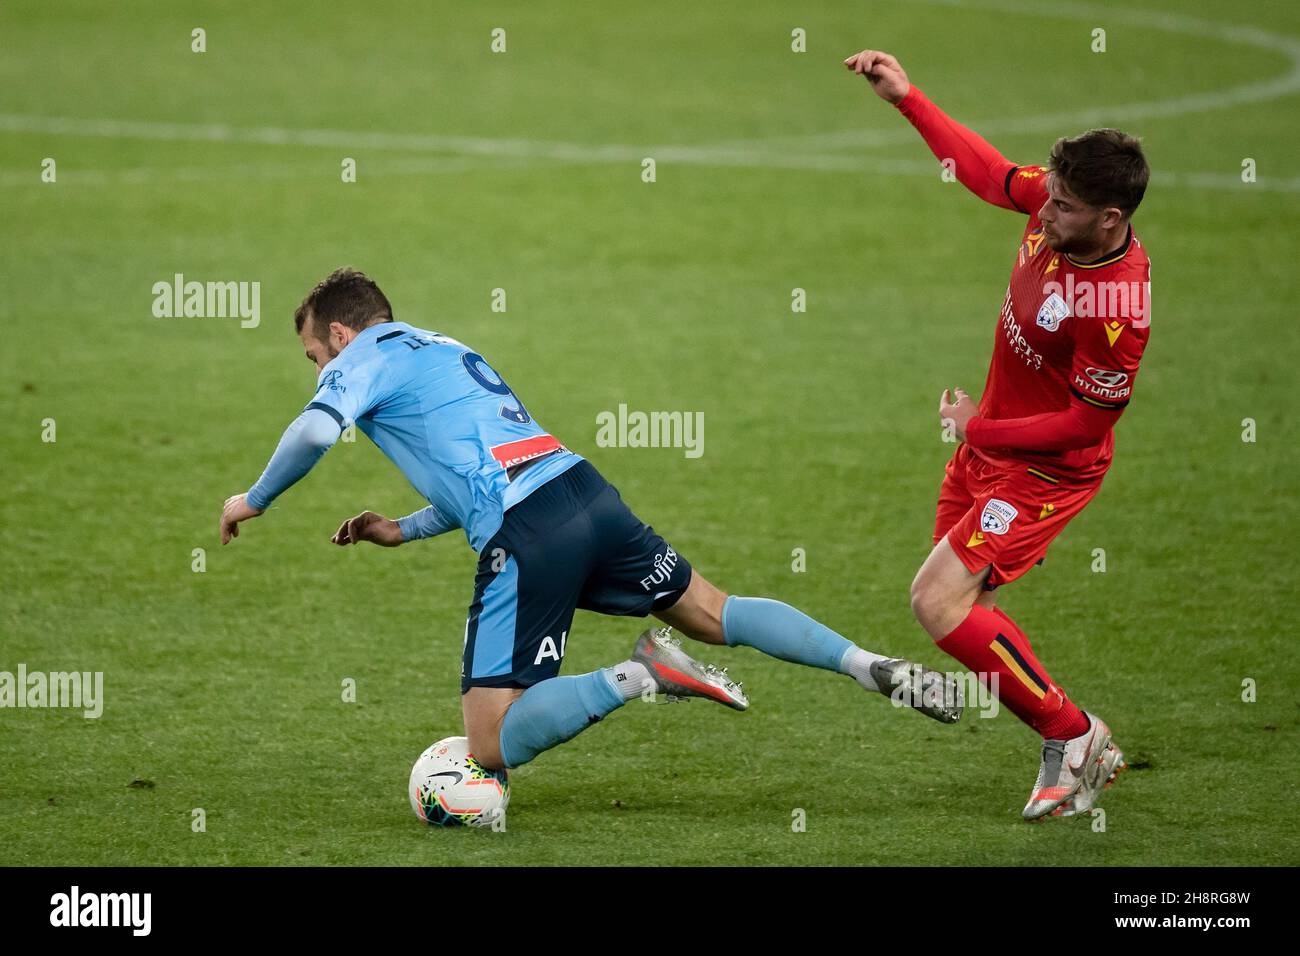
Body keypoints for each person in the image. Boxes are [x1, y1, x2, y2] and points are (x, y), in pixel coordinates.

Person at [220, 268, 962, 774]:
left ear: (342, 337)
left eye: (315, 357)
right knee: (713, 610)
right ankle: (867, 665)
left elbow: (315, 432)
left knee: (488, 743)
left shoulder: (364, 356)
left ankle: (637, 674)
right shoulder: (442, 347)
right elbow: (480, 469)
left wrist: (254, 498)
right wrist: (405, 529)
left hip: (530, 536)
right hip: (585, 495)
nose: (319, 371)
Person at [845, 49, 1152, 819]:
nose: (1043, 218)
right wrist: (908, 98)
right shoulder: (1054, 212)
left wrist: (979, 425)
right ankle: (1058, 724)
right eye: (1047, 200)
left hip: (1044, 471)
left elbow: (1089, 421)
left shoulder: (1116, 309)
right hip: (989, 449)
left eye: (1064, 210)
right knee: (956, 608)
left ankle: (1075, 737)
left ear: (1110, 218)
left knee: (938, 602)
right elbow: (988, 175)